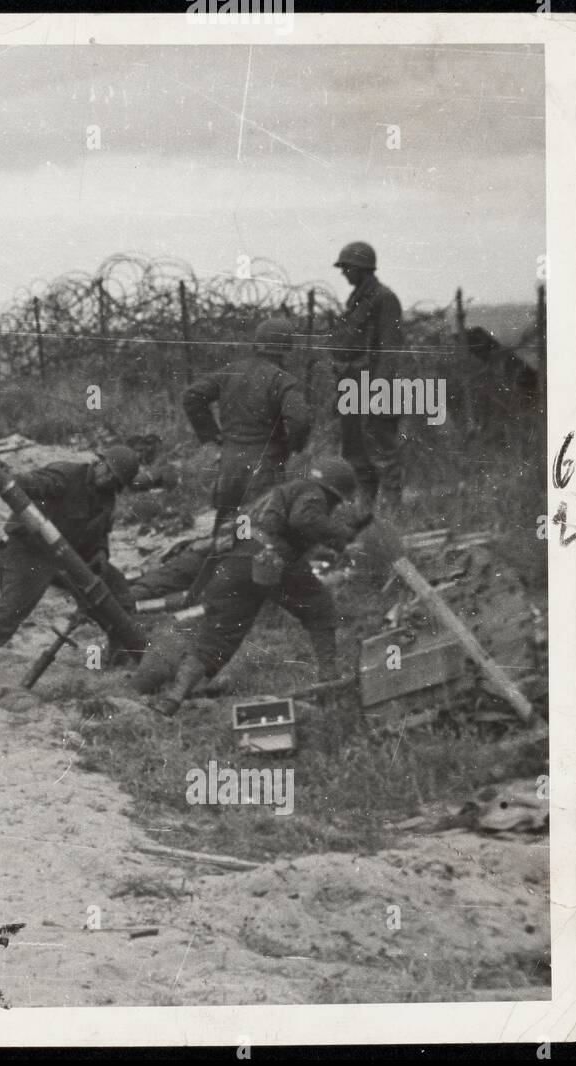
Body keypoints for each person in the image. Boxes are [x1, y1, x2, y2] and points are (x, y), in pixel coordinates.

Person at [138, 458, 370, 714]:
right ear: (333, 489)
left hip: (241, 556)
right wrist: (342, 536)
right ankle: (330, 679)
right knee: (321, 608)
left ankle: (172, 698)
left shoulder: (288, 490)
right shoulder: (312, 492)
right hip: (273, 558)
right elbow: (303, 520)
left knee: (217, 638)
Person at [0, 446, 141, 681]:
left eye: (114, 479)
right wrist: (9, 480)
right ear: (99, 462)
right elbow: (36, 483)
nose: (107, 478)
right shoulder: (67, 475)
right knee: (11, 611)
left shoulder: (107, 500)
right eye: (107, 470)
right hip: (29, 551)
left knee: (116, 587)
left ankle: (122, 652)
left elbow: (100, 534)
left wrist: (101, 553)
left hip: (67, 556)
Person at [182, 316, 312, 523]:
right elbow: (300, 421)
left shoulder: (230, 372)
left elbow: (192, 396)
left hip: (229, 465)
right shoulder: (283, 380)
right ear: (287, 350)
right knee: (257, 533)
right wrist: (290, 448)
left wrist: (213, 438)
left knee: (224, 532)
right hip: (265, 466)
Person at [330, 241, 405, 511]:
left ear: (362, 268)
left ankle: (391, 509)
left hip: (374, 386)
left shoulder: (384, 299)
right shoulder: (358, 301)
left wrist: (379, 389)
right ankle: (365, 509)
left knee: (382, 450)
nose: (343, 273)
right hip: (353, 385)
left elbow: (390, 348)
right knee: (354, 452)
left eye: (347, 267)